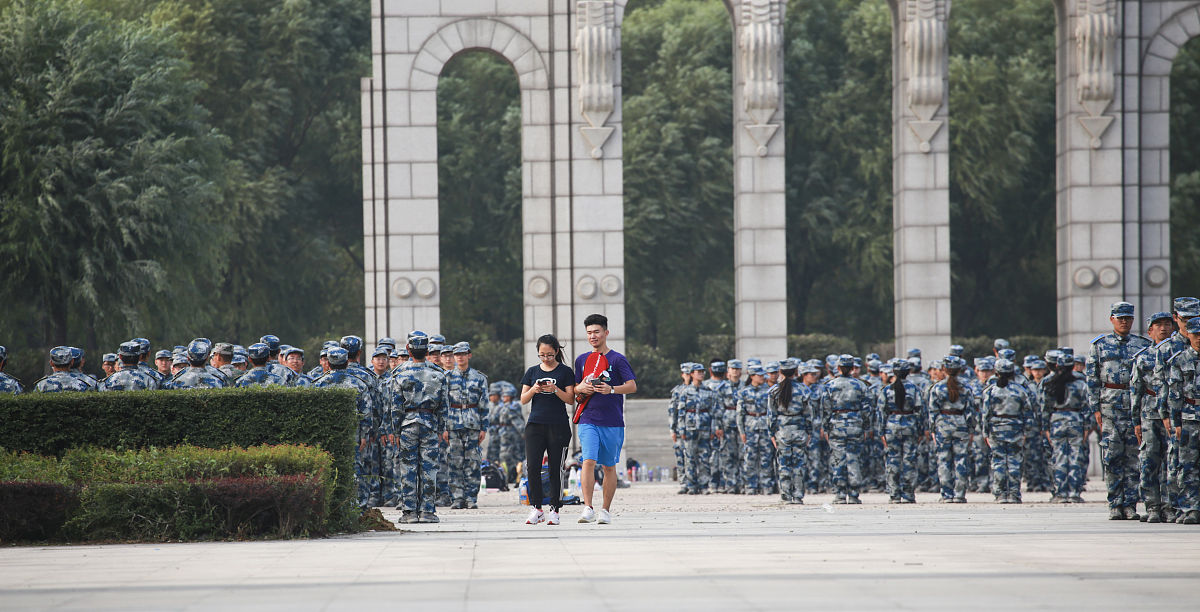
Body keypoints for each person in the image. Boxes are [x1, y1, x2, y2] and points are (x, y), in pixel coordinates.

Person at [1087, 301, 1153, 520]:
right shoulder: (1099, 345)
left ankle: (1130, 504)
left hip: (1135, 406)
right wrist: (1095, 408)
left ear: (1133, 320)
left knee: (1134, 457)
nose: (1124, 322)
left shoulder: (1143, 345)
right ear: (1112, 319)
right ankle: (1115, 503)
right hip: (1109, 406)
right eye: (1120, 318)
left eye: (1128, 318)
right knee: (1112, 456)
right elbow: (1092, 379)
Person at [574, 313, 637, 524]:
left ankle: (605, 510)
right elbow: (574, 389)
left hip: (612, 420)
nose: (593, 336)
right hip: (588, 418)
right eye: (589, 333)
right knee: (588, 461)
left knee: (609, 466)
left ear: (606, 333)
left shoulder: (617, 359)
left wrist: (611, 390)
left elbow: (632, 385)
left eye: (596, 332)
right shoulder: (581, 360)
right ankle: (587, 507)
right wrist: (580, 388)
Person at [389, 331, 450, 524]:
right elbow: (444, 405)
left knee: (407, 468)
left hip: (407, 424)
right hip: (430, 423)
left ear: (408, 349)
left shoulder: (400, 373)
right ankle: (427, 512)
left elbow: (395, 406)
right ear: (427, 350)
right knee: (429, 468)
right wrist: (441, 428)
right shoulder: (438, 373)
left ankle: (409, 513)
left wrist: (395, 430)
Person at [312, 346, 381, 508]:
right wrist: (364, 435)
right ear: (346, 363)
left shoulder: (318, 384)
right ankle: (357, 507)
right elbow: (366, 412)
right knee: (355, 469)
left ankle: (329, 506)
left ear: (328, 363)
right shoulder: (358, 384)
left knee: (328, 467)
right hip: (353, 433)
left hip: (326, 433)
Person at [518, 334, 575, 525]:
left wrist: (555, 390)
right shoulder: (532, 371)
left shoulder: (565, 372)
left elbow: (570, 399)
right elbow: (523, 399)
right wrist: (534, 389)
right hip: (535, 424)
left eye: (549, 355)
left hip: (558, 424)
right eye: (542, 355)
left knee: (555, 468)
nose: (546, 358)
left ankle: (555, 508)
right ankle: (536, 508)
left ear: (557, 352)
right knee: (532, 466)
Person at [1131, 311, 1176, 522]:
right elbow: (1136, 391)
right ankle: (1152, 506)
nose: (1164, 328)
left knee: (1172, 462)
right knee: (1149, 461)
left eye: (1168, 324)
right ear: (1150, 331)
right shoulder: (1142, 357)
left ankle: (1170, 506)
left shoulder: (1181, 353)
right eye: (1159, 325)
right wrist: (1136, 422)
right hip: (1150, 415)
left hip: (1175, 414)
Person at [822, 354, 872, 504]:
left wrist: (825, 427)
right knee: (854, 458)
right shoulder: (861, 385)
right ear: (852, 368)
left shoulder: (830, 385)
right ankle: (854, 494)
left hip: (836, 424)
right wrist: (866, 427)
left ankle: (840, 494)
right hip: (855, 424)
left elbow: (825, 409)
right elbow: (867, 410)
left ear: (838, 368)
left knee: (838, 459)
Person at [445, 342, 489, 510]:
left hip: (473, 423)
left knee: (473, 462)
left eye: (463, 354)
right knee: (454, 462)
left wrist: (484, 427)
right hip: (453, 424)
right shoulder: (447, 377)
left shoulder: (479, 378)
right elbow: (443, 404)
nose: (460, 357)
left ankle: (471, 498)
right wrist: (444, 428)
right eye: (457, 355)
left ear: (469, 355)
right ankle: (457, 498)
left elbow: (484, 404)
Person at [982, 359, 1033, 503]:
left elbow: (985, 415)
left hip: (996, 430)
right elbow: (1028, 413)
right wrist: (1026, 432)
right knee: (1015, 462)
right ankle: (1014, 493)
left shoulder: (990, 391)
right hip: (1015, 429)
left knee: (998, 462)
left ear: (996, 373)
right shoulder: (1020, 390)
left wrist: (985, 433)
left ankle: (1000, 494)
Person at [928, 356, 977, 503]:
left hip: (943, 425)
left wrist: (933, 429)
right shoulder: (967, 387)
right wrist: (971, 429)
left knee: (944, 460)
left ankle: (946, 494)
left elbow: (932, 411)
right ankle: (960, 494)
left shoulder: (937, 387)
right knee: (961, 459)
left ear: (944, 369)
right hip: (961, 424)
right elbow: (971, 411)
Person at [1166, 316, 1200, 524]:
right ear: (1189, 335)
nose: (1199, 339)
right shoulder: (1180, 360)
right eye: (1196, 335)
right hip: (1188, 417)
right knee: (1188, 465)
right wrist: (1175, 421)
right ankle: (1191, 508)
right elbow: (1174, 393)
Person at [878, 358, 926, 503]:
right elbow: (920, 411)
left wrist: (881, 432)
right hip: (910, 426)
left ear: (893, 372)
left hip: (891, 427)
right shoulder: (915, 389)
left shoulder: (886, 390)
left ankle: (894, 494)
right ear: (908, 372)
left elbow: (881, 413)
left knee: (892, 459)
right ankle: (908, 494)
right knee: (909, 460)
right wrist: (921, 430)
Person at [1043, 352, 1090, 503]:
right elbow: (1087, 407)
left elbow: (1045, 408)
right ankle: (1074, 493)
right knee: (1076, 457)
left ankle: (1061, 493)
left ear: (1057, 366)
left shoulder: (1050, 384)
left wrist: (1046, 428)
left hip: (1056, 421)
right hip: (1076, 421)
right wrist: (1087, 427)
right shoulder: (1081, 384)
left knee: (1059, 457)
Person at [767, 360, 808, 503]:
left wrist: (771, 433)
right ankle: (798, 496)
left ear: (780, 372)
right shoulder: (804, 389)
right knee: (799, 464)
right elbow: (809, 414)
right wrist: (809, 432)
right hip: (799, 430)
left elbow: (771, 415)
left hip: (782, 431)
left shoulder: (774, 390)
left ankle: (786, 495)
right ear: (795, 372)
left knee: (783, 464)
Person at [675, 363, 718, 495]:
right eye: (698, 372)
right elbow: (681, 413)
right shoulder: (685, 392)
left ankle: (704, 485)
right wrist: (681, 430)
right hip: (690, 428)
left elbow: (713, 412)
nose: (701, 374)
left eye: (702, 372)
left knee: (705, 458)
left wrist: (713, 429)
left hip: (705, 428)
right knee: (690, 458)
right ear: (692, 374)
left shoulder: (708, 391)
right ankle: (691, 485)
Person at [738, 364, 775, 496]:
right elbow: (740, 414)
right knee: (750, 458)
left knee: (766, 458)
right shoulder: (744, 392)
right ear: (752, 376)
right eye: (759, 375)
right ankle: (750, 486)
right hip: (750, 427)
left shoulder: (769, 391)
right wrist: (742, 431)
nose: (762, 378)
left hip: (765, 426)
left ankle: (766, 486)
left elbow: (772, 411)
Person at [705, 360, 740, 494]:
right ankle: (724, 483)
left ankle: (736, 484)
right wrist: (717, 426)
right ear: (727, 372)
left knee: (737, 455)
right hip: (723, 424)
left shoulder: (740, 386)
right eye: (732, 369)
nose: (735, 371)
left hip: (736, 424)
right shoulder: (721, 387)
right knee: (724, 456)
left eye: (737, 369)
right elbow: (718, 409)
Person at [668, 363, 691, 493]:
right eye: (686, 374)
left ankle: (694, 482)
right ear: (683, 375)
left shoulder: (699, 389)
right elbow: (672, 411)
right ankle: (683, 483)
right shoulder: (678, 391)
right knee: (681, 456)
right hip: (680, 429)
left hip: (695, 428)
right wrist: (672, 429)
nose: (689, 376)